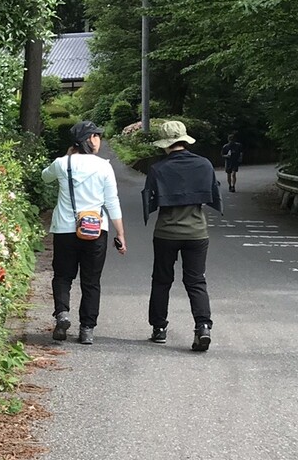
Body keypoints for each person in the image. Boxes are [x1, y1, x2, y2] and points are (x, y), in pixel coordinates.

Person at [41, 120, 127, 346]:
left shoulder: (62, 163)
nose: (99, 140)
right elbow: (112, 201)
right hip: (96, 231)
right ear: (89, 139)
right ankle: (87, 329)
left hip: (65, 230)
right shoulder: (104, 166)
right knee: (91, 280)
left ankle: (62, 314)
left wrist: (66, 157)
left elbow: (44, 176)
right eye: (97, 136)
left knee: (62, 276)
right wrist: (120, 233)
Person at [142, 120, 222, 351]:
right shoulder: (204, 164)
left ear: (166, 144)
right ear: (184, 140)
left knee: (162, 280)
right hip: (197, 232)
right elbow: (213, 194)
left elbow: (150, 200)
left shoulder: (158, 168)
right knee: (196, 281)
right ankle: (203, 326)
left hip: (166, 232)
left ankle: (159, 328)